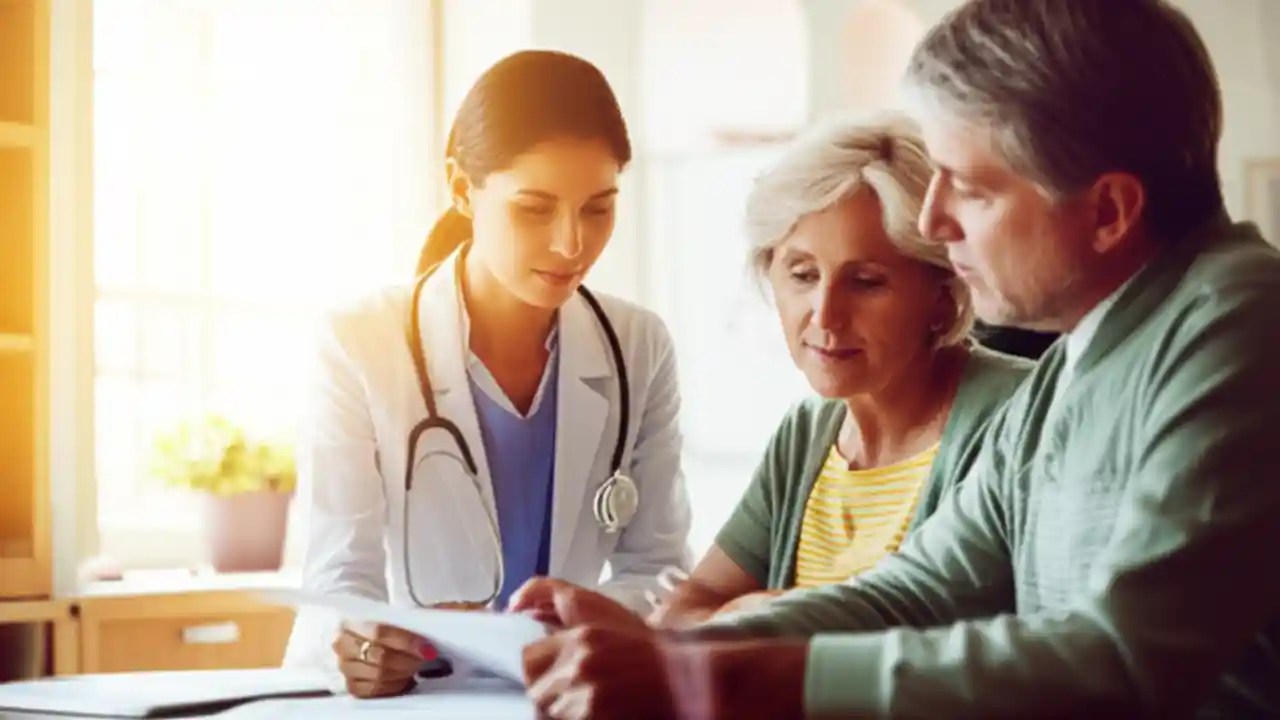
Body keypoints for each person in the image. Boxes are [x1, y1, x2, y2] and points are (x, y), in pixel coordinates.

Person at [513, 1, 1280, 717]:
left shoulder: (1241, 327)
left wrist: (703, 678)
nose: (933, 218)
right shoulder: (1074, 366)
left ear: (1109, 211)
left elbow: (1121, 659)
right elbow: (919, 589)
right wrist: (660, 645)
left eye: (972, 190)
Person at [282, 49, 692, 699]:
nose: (571, 244)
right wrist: (363, 644)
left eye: (597, 208)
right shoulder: (360, 341)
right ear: (461, 188)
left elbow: (661, 570)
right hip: (408, 702)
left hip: (566, 696)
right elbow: (338, 577)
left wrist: (559, 621)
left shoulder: (638, 346)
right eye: (535, 208)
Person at [648, 114, 1030, 629]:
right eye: (802, 275)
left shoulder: (1019, 416)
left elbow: (944, 645)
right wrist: (754, 613)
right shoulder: (807, 433)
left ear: (944, 294)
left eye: (867, 282)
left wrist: (758, 612)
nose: (826, 316)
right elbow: (682, 612)